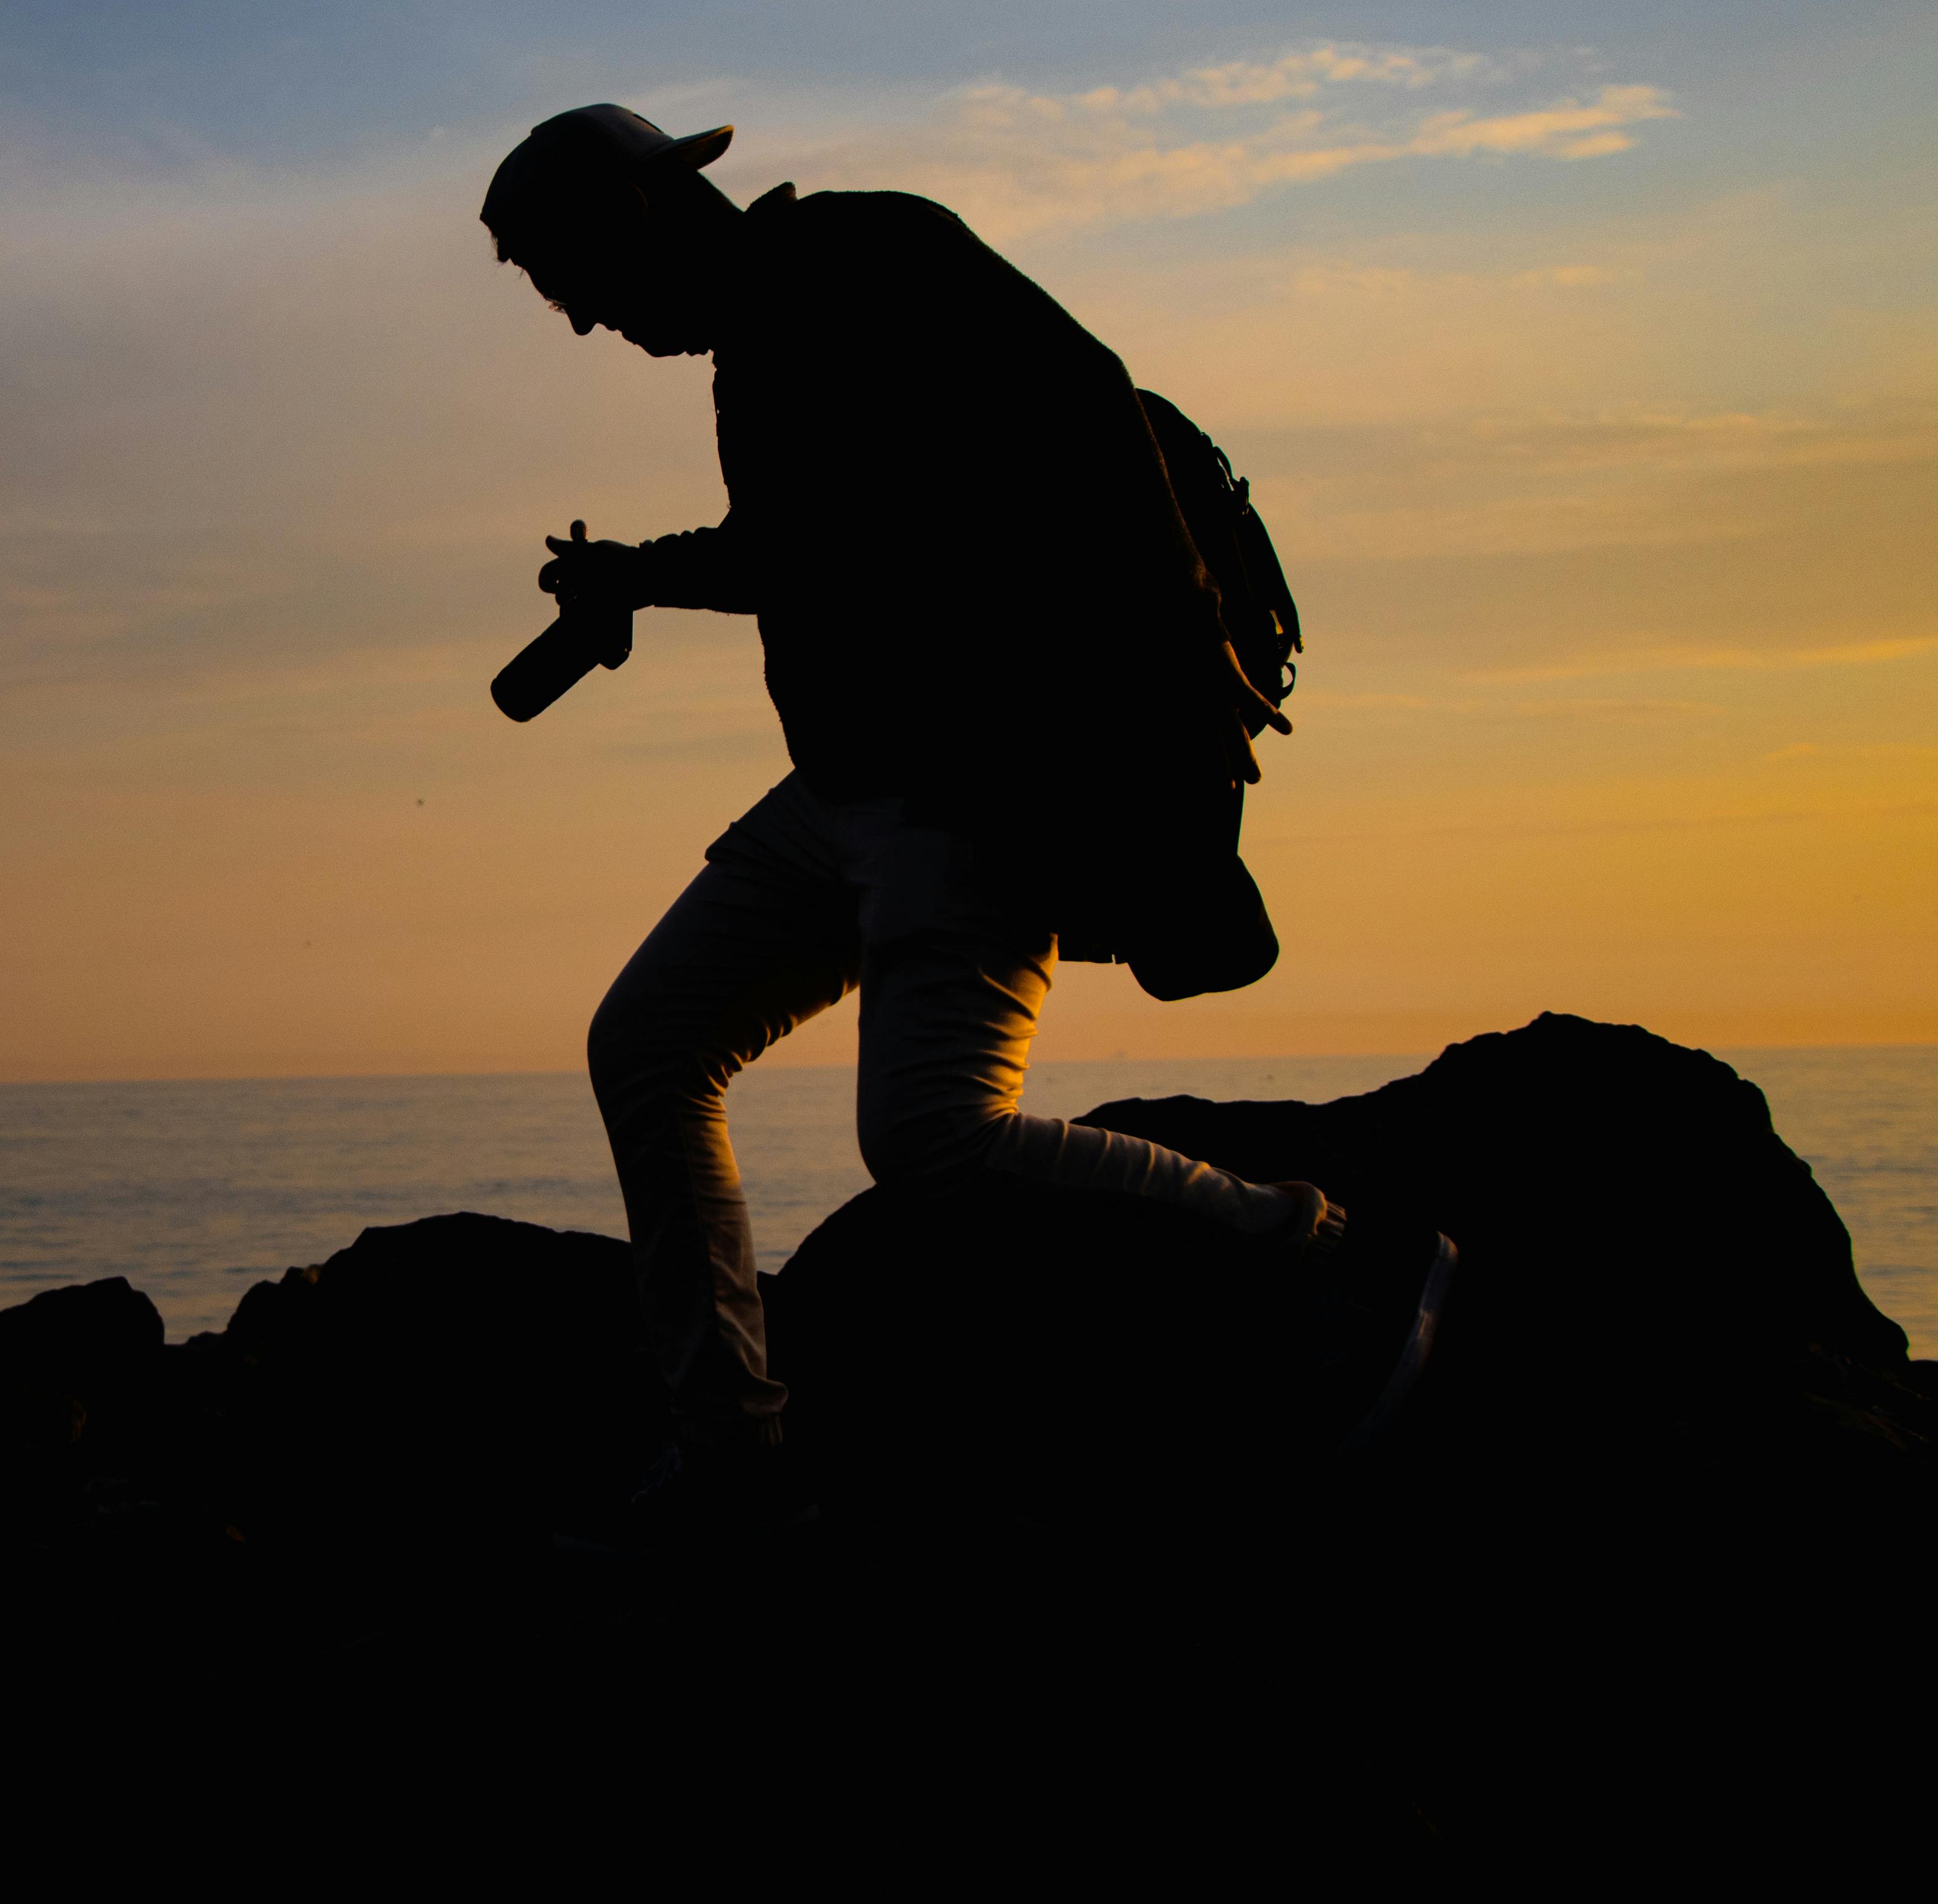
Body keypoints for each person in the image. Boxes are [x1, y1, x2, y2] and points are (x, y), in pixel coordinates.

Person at [481, 102, 1345, 1541]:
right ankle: (733, 1451)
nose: (581, 323)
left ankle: (1309, 1250)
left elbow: (1095, 419)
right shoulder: (764, 337)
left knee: (934, 1133)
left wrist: (1179, 728)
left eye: (570, 281)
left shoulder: (865, 258)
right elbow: (812, 542)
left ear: (635, 217)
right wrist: (636, 574)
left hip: (978, 784)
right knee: (648, 1044)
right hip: (849, 786)